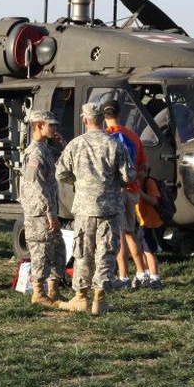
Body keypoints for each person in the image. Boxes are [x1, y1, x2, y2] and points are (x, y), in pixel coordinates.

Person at [56, 103, 134, 315]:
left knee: (83, 251)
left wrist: (79, 181)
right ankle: (100, 298)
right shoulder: (115, 145)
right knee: (106, 252)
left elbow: (61, 173)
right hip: (109, 207)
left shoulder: (75, 144)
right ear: (102, 119)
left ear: (84, 120)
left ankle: (81, 297)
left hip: (84, 207)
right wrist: (112, 182)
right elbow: (129, 176)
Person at [102, 99, 151, 290]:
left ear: (103, 116)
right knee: (130, 233)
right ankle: (142, 272)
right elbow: (143, 166)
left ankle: (123, 276)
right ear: (120, 114)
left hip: (114, 192)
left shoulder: (103, 137)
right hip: (132, 191)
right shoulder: (132, 136)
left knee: (119, 235)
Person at [21, 109, 66, 306]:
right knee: (41, 250)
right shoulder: (35, 153)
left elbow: (66, 160)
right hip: (39, 212)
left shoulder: (45, 148)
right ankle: (38, 292)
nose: (54, 128)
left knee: (57, 249)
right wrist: (48, 213)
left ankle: (54, 290)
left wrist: (61, 143)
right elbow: (35, 185)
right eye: (51, 125)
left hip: (49, 209)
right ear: (39, 126)